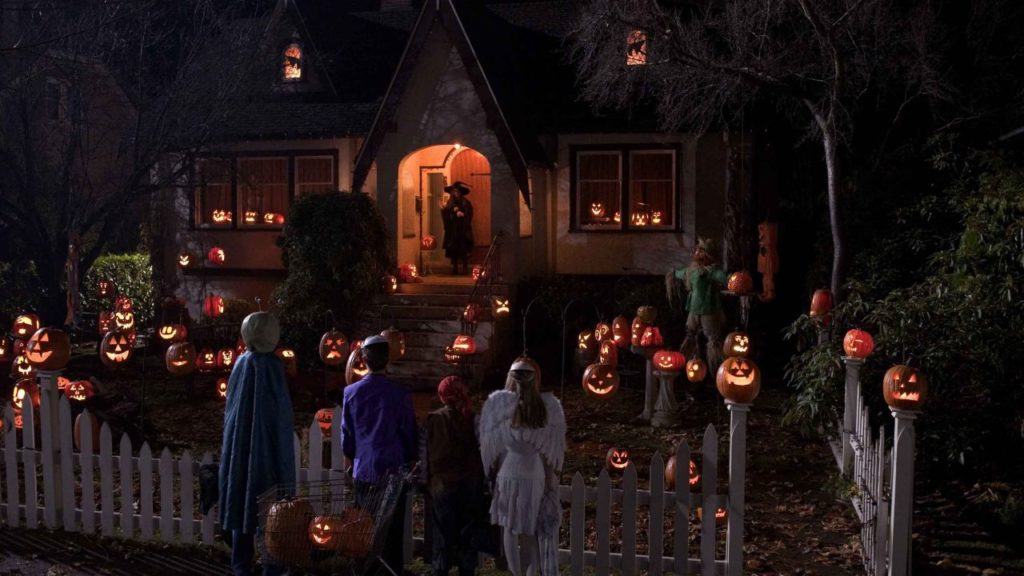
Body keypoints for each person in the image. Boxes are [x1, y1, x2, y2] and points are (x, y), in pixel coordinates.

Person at [219, 312, 295, 576]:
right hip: (268, 454)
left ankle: (242, 565)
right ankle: (270, 566)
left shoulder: (241, 364)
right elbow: (280, 414)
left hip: (242, 448)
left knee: (242, 496)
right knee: (270, 508)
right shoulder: (272, 368)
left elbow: (232, 412)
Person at [480, 360, 566, 576]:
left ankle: (515, 573)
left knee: (509, 529)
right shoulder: (544, 408)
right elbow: (548, 452)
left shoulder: (501, 408)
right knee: (530, 529)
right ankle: (529, 573)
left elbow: (495, 448)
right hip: (534, 472)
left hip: (509, 471)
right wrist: (550, 479)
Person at [341, 335, 418, 575]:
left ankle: (367, 570)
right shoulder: (399, 394)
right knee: (392, 529)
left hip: (364, 468)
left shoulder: (351, 392)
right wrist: (411, 458)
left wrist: (351, 457)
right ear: (388, 359)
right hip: (394, 469)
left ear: (364, 360)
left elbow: (347, 433)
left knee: (364, 526)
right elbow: (408, 432)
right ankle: (391, 569)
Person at [424, 376, 485, 576]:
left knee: (442, 533)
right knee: (467, 532)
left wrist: (426, 480)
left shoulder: (435, 419)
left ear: (442, 396)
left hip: (442, 484)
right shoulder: (472, 418)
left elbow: (427, 452)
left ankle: (441, 569)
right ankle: (466, 569)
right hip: (469, 484)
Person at [667, 238, 728, 368]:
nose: (698, 253)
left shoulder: (711, 272)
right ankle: (685, 362)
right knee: (690, 333)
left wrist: (733, 279)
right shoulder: (691, 271)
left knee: (713, 338)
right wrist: (673, 273)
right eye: (697, 251)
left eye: (701, 251)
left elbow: (724, 277)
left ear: (708, 255)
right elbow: (681, 273)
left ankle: (716, 364)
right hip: (693, 309)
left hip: (709, 310)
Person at [441, 181, 474, 275]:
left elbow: (469, 214)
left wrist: (463, 215)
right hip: (453, 229)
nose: (455, 193)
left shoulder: (466, 203)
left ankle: (465, 268)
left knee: (464, 249)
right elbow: (447, 213)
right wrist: (446, 210)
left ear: (460, 192)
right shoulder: (450, 202)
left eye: (457, 191)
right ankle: (454, 268)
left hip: (463, 229)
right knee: (453, 249)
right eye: (454, 191)